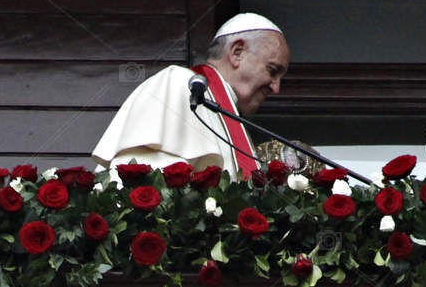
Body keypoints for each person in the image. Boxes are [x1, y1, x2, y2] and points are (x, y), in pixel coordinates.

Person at [93, 13, 289, 179]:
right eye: (272, 70)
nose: (276, 87)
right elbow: (149, 184)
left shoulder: (232, 119)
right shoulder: (178, 84)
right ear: (237, 52)